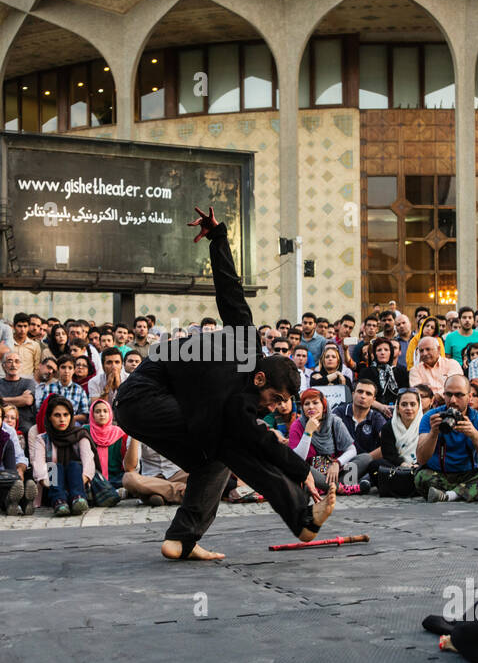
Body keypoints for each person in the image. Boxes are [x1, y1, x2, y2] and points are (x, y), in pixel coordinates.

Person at [114, 207, 335, 562]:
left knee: (213, 460)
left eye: (280, 405)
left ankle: (181, 539)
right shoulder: (242, 358)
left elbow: (230, 289)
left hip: (148, 409)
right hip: (143, 398)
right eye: (273, 399)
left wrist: (218, 237)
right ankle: (301, 520)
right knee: (231, 446)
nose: (271, 407)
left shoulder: (247, 381)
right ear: (259, 378)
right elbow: (228, 291)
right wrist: (303, 470)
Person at [413, 375, 478, 502]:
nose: (453, 400)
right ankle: (470, 491)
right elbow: (421, 459)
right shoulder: (431, 417)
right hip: (439, 474)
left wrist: (473, 433)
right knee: (421, 476)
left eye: (459, 395)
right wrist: (433, 432)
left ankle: (449, 495)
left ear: (469, 397)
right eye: (448, 394)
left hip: (469, 474)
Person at [28, 395, 93, 517]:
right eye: (57, 415)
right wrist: (56, 486)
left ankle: (77, 499)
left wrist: (73, 484)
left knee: (74, 465)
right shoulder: (42, 439)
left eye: (66, 415)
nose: (62, 419)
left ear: (71, 417)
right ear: (49, 418)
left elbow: (89, 465)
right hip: (50, 488)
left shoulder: (80, 435)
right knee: (54, 467)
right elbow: (39, 469)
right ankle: (60, 501)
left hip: (78, 485)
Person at [289, 389, 357, 495]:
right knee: (304, 468)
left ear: (324, 406)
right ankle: (340, 487)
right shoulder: (297, 426)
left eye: (315, 403)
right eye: (306, 404)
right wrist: (308, 432)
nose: (311, 407)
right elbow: (297, 460)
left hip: (335, 470)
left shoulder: (335, 422)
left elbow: (352, 450)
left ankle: (329, 487)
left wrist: (337, 463)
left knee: (364, 458)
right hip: (313, 474)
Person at [87, 397, 129, 490]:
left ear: (110, 413)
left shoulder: (120, 433)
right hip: (94, 476)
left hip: (116, 476)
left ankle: (107, 490)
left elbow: (125, 462)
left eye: (105, 411)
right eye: (97, 412)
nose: (102, 414)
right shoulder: (85, 431)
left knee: (129, 478)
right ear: (92, 415)